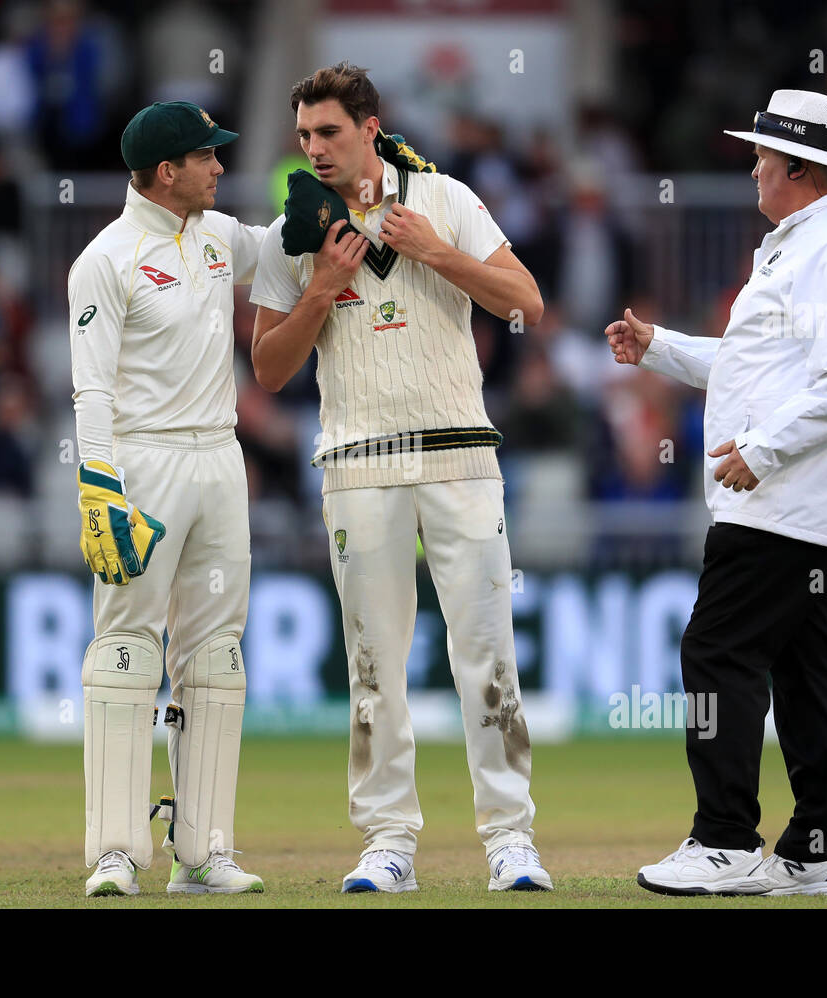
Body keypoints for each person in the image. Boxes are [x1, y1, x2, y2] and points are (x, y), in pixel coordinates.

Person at [249, 62, 553, 893]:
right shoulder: (294, 229)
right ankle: (388, 840)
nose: (313, 149)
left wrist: (440, 253)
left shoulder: (446, 197)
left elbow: (526, 302)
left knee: (486, 652)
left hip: (462, 456)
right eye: (304, 134)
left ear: (370, 127)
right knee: (373, 661)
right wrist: (320, 290)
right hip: (357, 463)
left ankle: (510, 838)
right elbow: (269, 369)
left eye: (330, 133)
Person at [606, 90, 827, 896]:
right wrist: (660, 346)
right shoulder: (816, 241)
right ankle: (816, 847)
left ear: (802, 169)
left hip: (783, 498)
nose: (754, 165)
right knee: (807, 667)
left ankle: (725, 838)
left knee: (717, 650)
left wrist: (764, 452)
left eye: (765, 154)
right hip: (805, 499)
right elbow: (759, 366)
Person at [69, 101, 267, 896]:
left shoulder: (219, 238)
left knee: (216, 656)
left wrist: (363, 186)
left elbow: (290, 239)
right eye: (207, 158)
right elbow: (90, 389)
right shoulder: (105, 259)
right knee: (126, 650)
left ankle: (204, 851)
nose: (220, 168)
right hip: (144, 462)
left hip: (220, 457)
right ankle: (116, 851)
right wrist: (97, 484)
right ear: (166, 172)